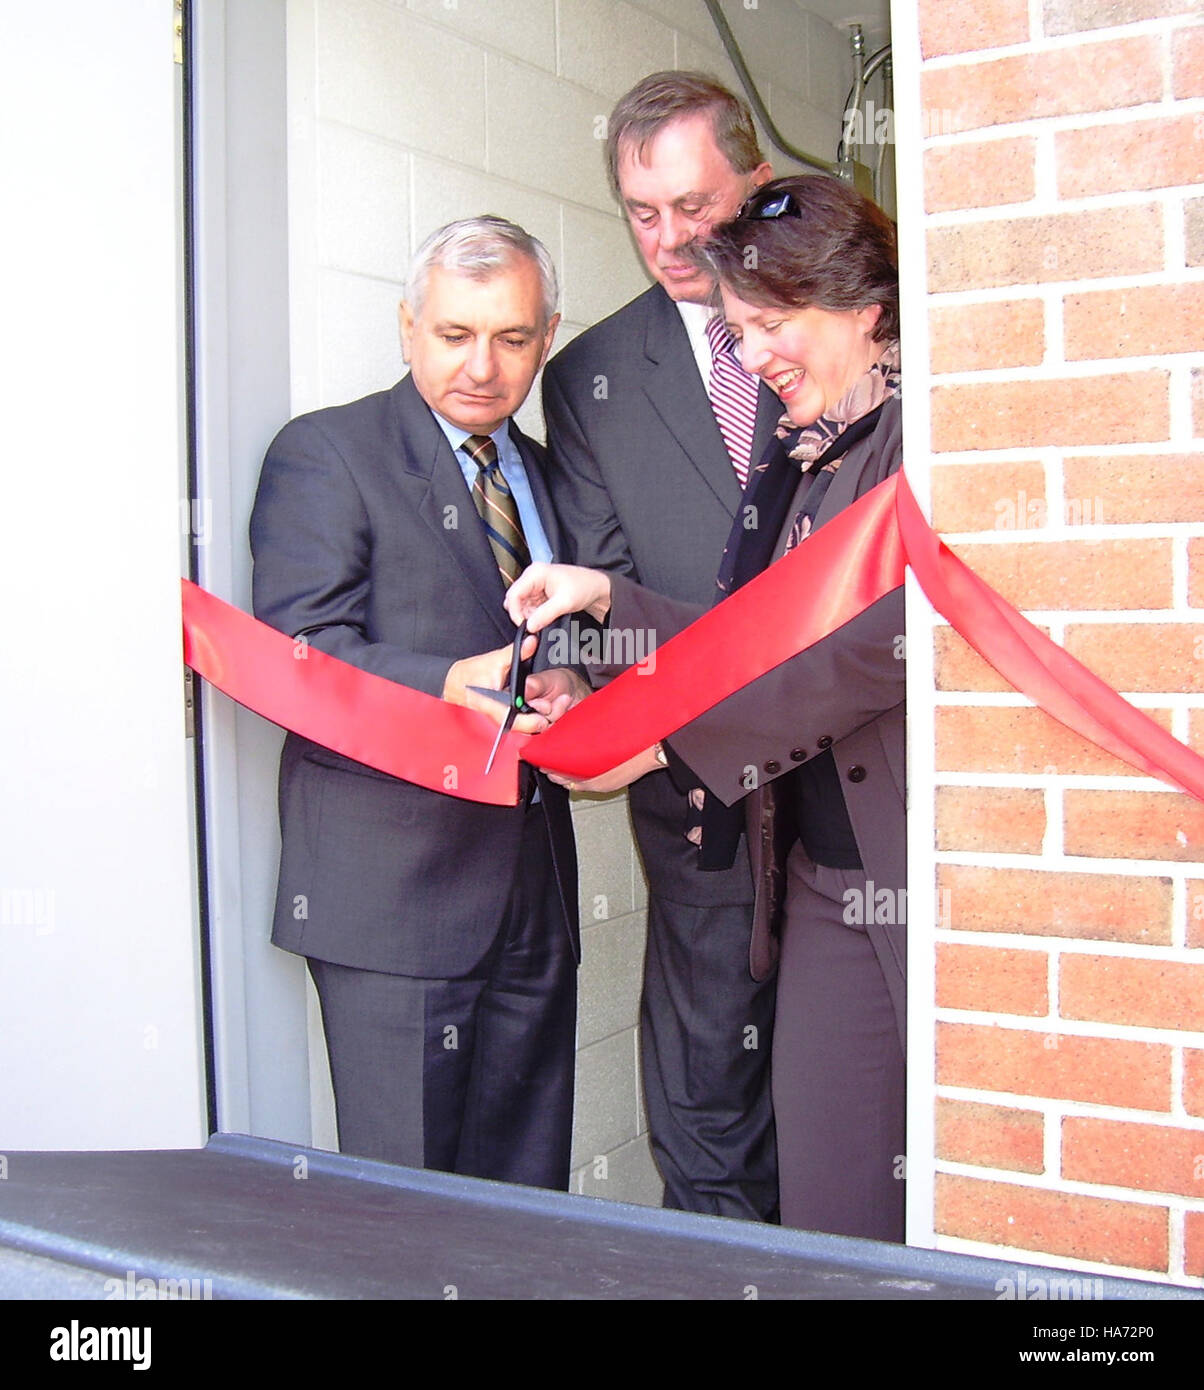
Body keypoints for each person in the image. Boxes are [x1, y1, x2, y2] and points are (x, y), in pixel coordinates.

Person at [510, 175, 906, 1241]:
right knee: (836, 1201)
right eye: (738, 332)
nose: (754, 354)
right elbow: (756, 631)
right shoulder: (802, 448)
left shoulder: (930, 444)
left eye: (772, 324)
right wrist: (608, 596)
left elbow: (855, 657)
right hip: (822, 883)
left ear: (866, 310)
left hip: (918, 876)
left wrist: (649, 748)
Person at [250, 216, 585, 1192]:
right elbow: (299, 653)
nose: (483, 366)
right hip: (390, 904)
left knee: (524, 1198)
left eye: (512, 337)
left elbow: (567, 636)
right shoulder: (327, 453)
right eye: (453, 335)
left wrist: (575, 679)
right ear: (407, 328)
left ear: (547, 335)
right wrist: (445, 684)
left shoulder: (551, 473)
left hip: (532, 891)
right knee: (405, 1210)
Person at [542, 70, 780, 1222]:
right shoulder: (585, 377)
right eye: (643, 212)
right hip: (696, 797)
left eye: (694, 205)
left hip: (857, 787)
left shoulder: (857, 317)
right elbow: (603, 595)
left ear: (758, 182)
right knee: (705, 1101)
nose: (670, 239)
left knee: (846, 1086)